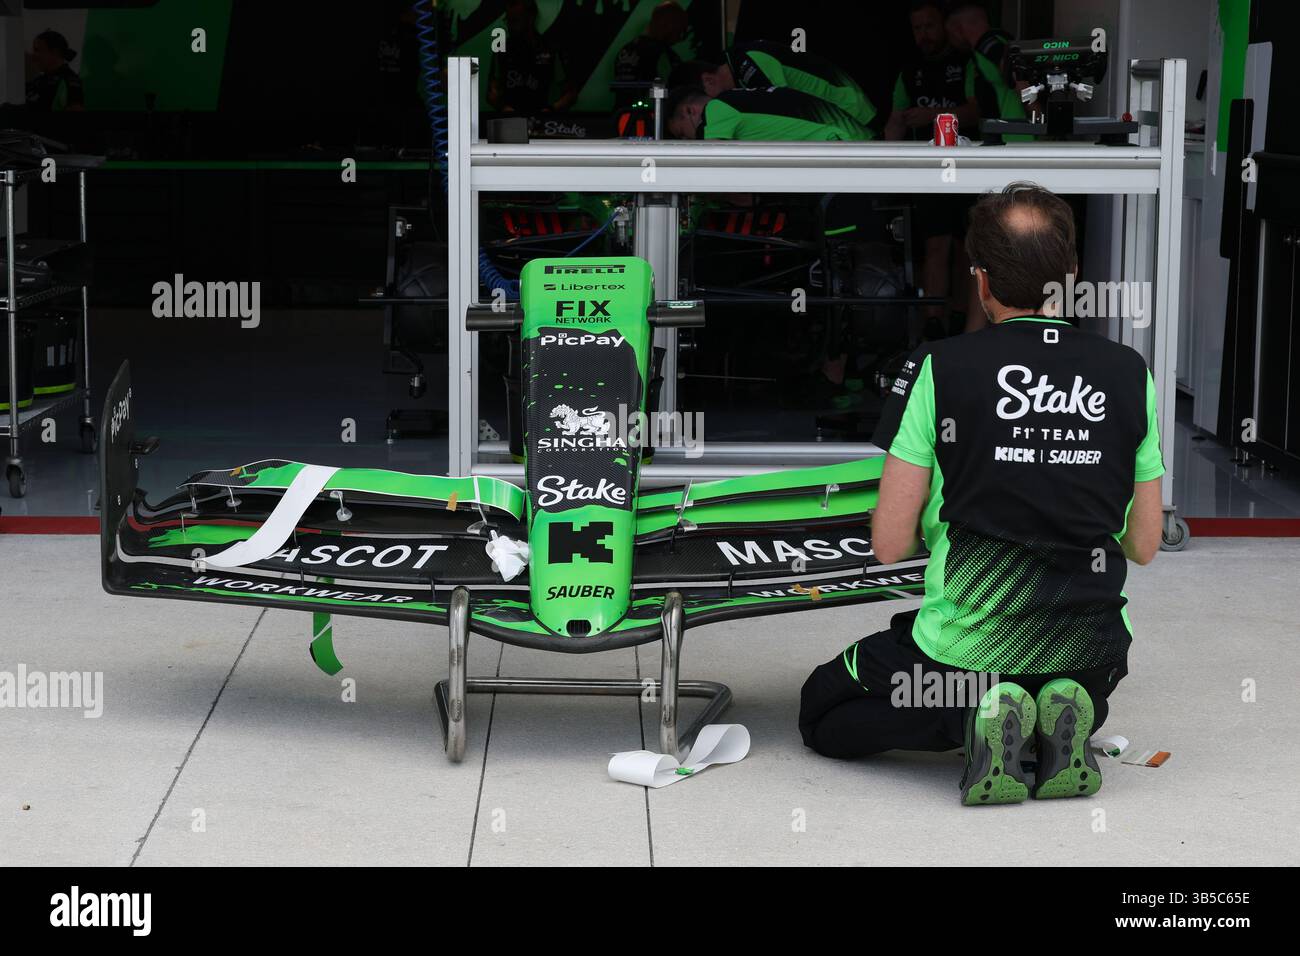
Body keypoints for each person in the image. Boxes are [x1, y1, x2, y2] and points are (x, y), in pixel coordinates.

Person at [799, 183, 1165, 806]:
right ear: (1073, 275)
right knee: (1076, 697)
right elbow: (1145, 544)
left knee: (820, 711)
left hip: (964, 652)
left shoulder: (941, 366)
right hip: (1092, 653)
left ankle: (972, 716)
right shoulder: (1130, 371)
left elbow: (889, 544)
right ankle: (1053, 719)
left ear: (981, 281)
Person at [672, 40, 878, 134]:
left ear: (708, 80)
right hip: (835, 117)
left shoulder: (749, 61)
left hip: (850, 109)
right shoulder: (741, 64)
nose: (705, 112)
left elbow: (782, 104)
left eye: (703, 98)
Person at [665, 84, 870, 141]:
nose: (686, 141)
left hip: (842, 144)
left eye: (681, 134)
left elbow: (711, 163)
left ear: (690, 110)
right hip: (846, 139)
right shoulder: (736, 98)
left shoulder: (717, 108)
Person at [487, 0, 578, 114]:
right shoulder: (501, 49)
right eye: (508, 21)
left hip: (541, 123)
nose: (510, 26)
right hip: (510, 122)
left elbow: (570, 94)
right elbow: (492, 93)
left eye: (515, 21)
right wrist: (503, 107)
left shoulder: (549, 49)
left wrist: (551, 109)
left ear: (530, 18)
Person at [612, 1, 689, 108]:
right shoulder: (663, 54)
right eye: (680, 30)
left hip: (622, 117)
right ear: (669, 26)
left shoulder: (625, 50)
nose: (680, 37)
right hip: (650, 118)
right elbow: (674, 94)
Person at [26, 30, 84, 112]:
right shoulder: (38, 80)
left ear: (55, 52)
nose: (33, 55)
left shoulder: (68, 80)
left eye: (37, 50)